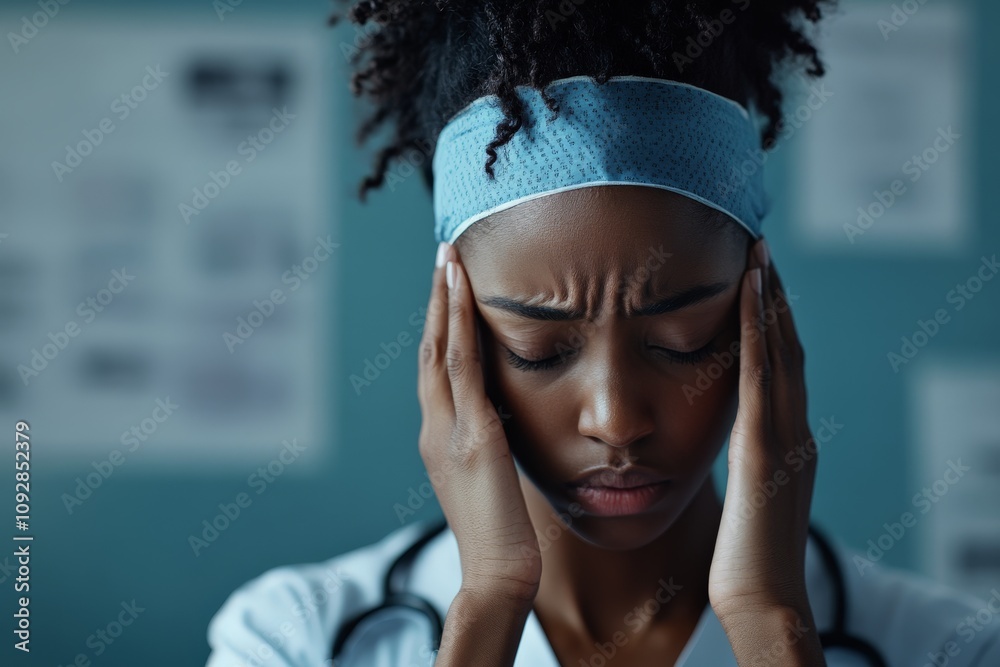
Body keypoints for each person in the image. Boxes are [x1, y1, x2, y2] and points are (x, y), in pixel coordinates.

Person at [205, 1, 1000, 665]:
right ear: (455, 338)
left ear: (764, 316)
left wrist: (768, 621)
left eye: (683, 336)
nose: (616, 419)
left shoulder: (946, 648)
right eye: (538, 350)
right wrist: (486, 602)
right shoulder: (295, 637)